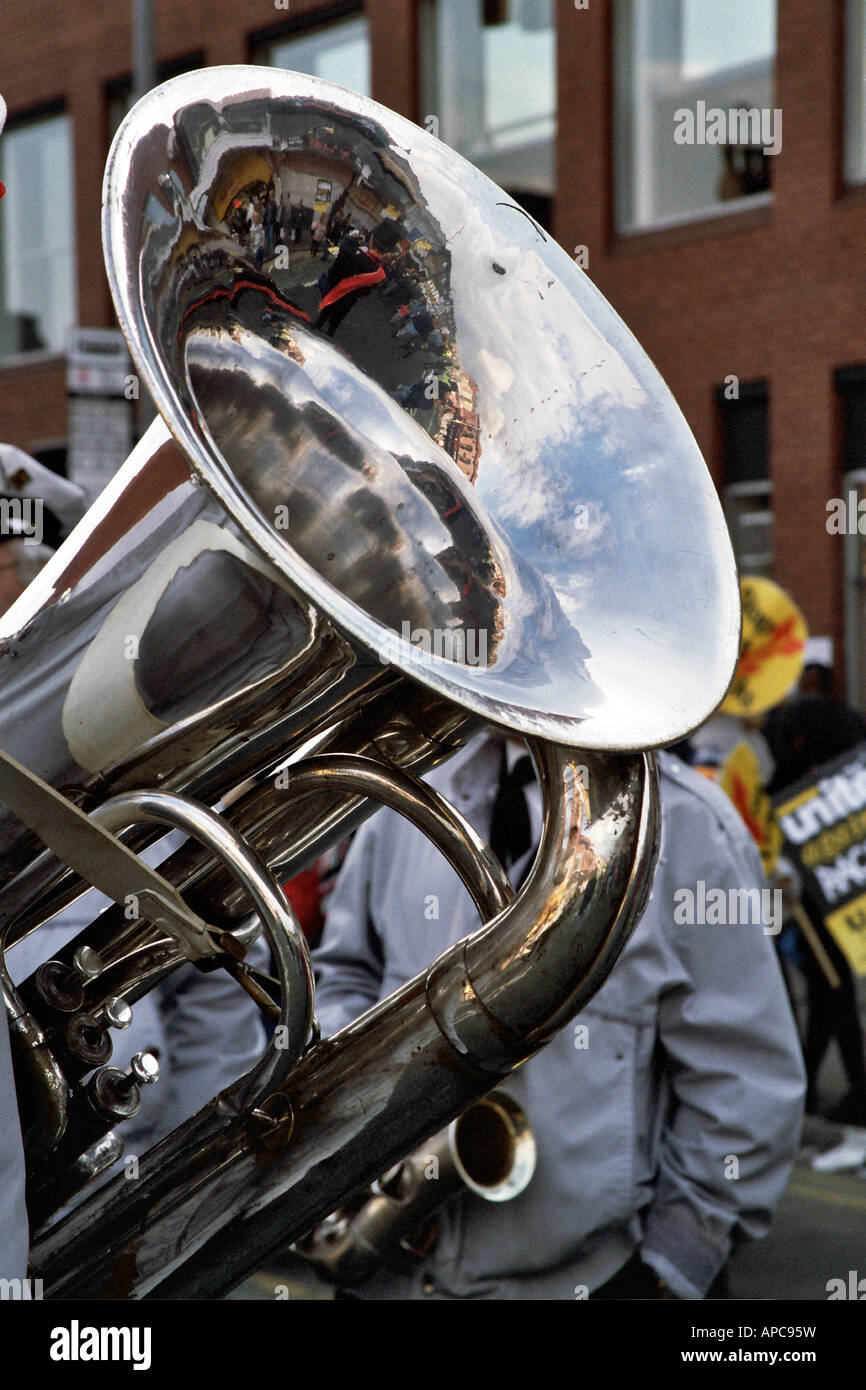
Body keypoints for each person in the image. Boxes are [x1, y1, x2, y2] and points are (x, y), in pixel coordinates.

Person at [314, 732, 806, 1299]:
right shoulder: (408, 794)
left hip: (590, 1280)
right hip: (389, 1273)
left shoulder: (692, 828)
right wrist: (350, 1142)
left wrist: (674, 1264)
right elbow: (347, 975)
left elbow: (745, 1080)